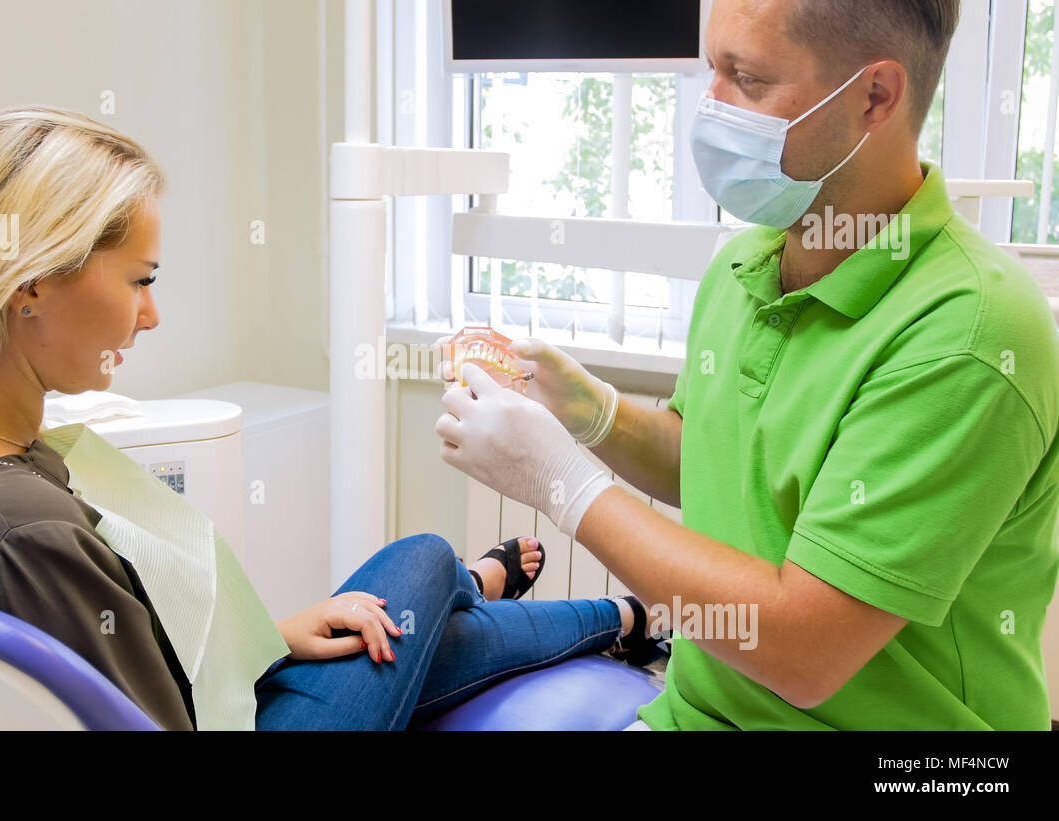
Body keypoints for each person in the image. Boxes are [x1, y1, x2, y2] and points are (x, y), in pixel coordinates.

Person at [0, 105, 654, 731]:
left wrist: (275, 636)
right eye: (139, 280)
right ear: (30, 283)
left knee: (397, 622)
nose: (150, 316)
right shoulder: (25, 528)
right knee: (419, 563)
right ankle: (571, 604)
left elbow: (132, 660)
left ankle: (599, 612)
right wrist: (270, 662)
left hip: (201, 687)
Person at [437, 0, 1059, 730]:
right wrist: (590, 410)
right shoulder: (748, 259)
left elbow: (805, 647)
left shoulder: (971, 331)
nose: (712, 108)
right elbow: (708, 456)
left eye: (749, 79)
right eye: (713, 69)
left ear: (875, 96)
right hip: (696, 712)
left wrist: (562, 482)